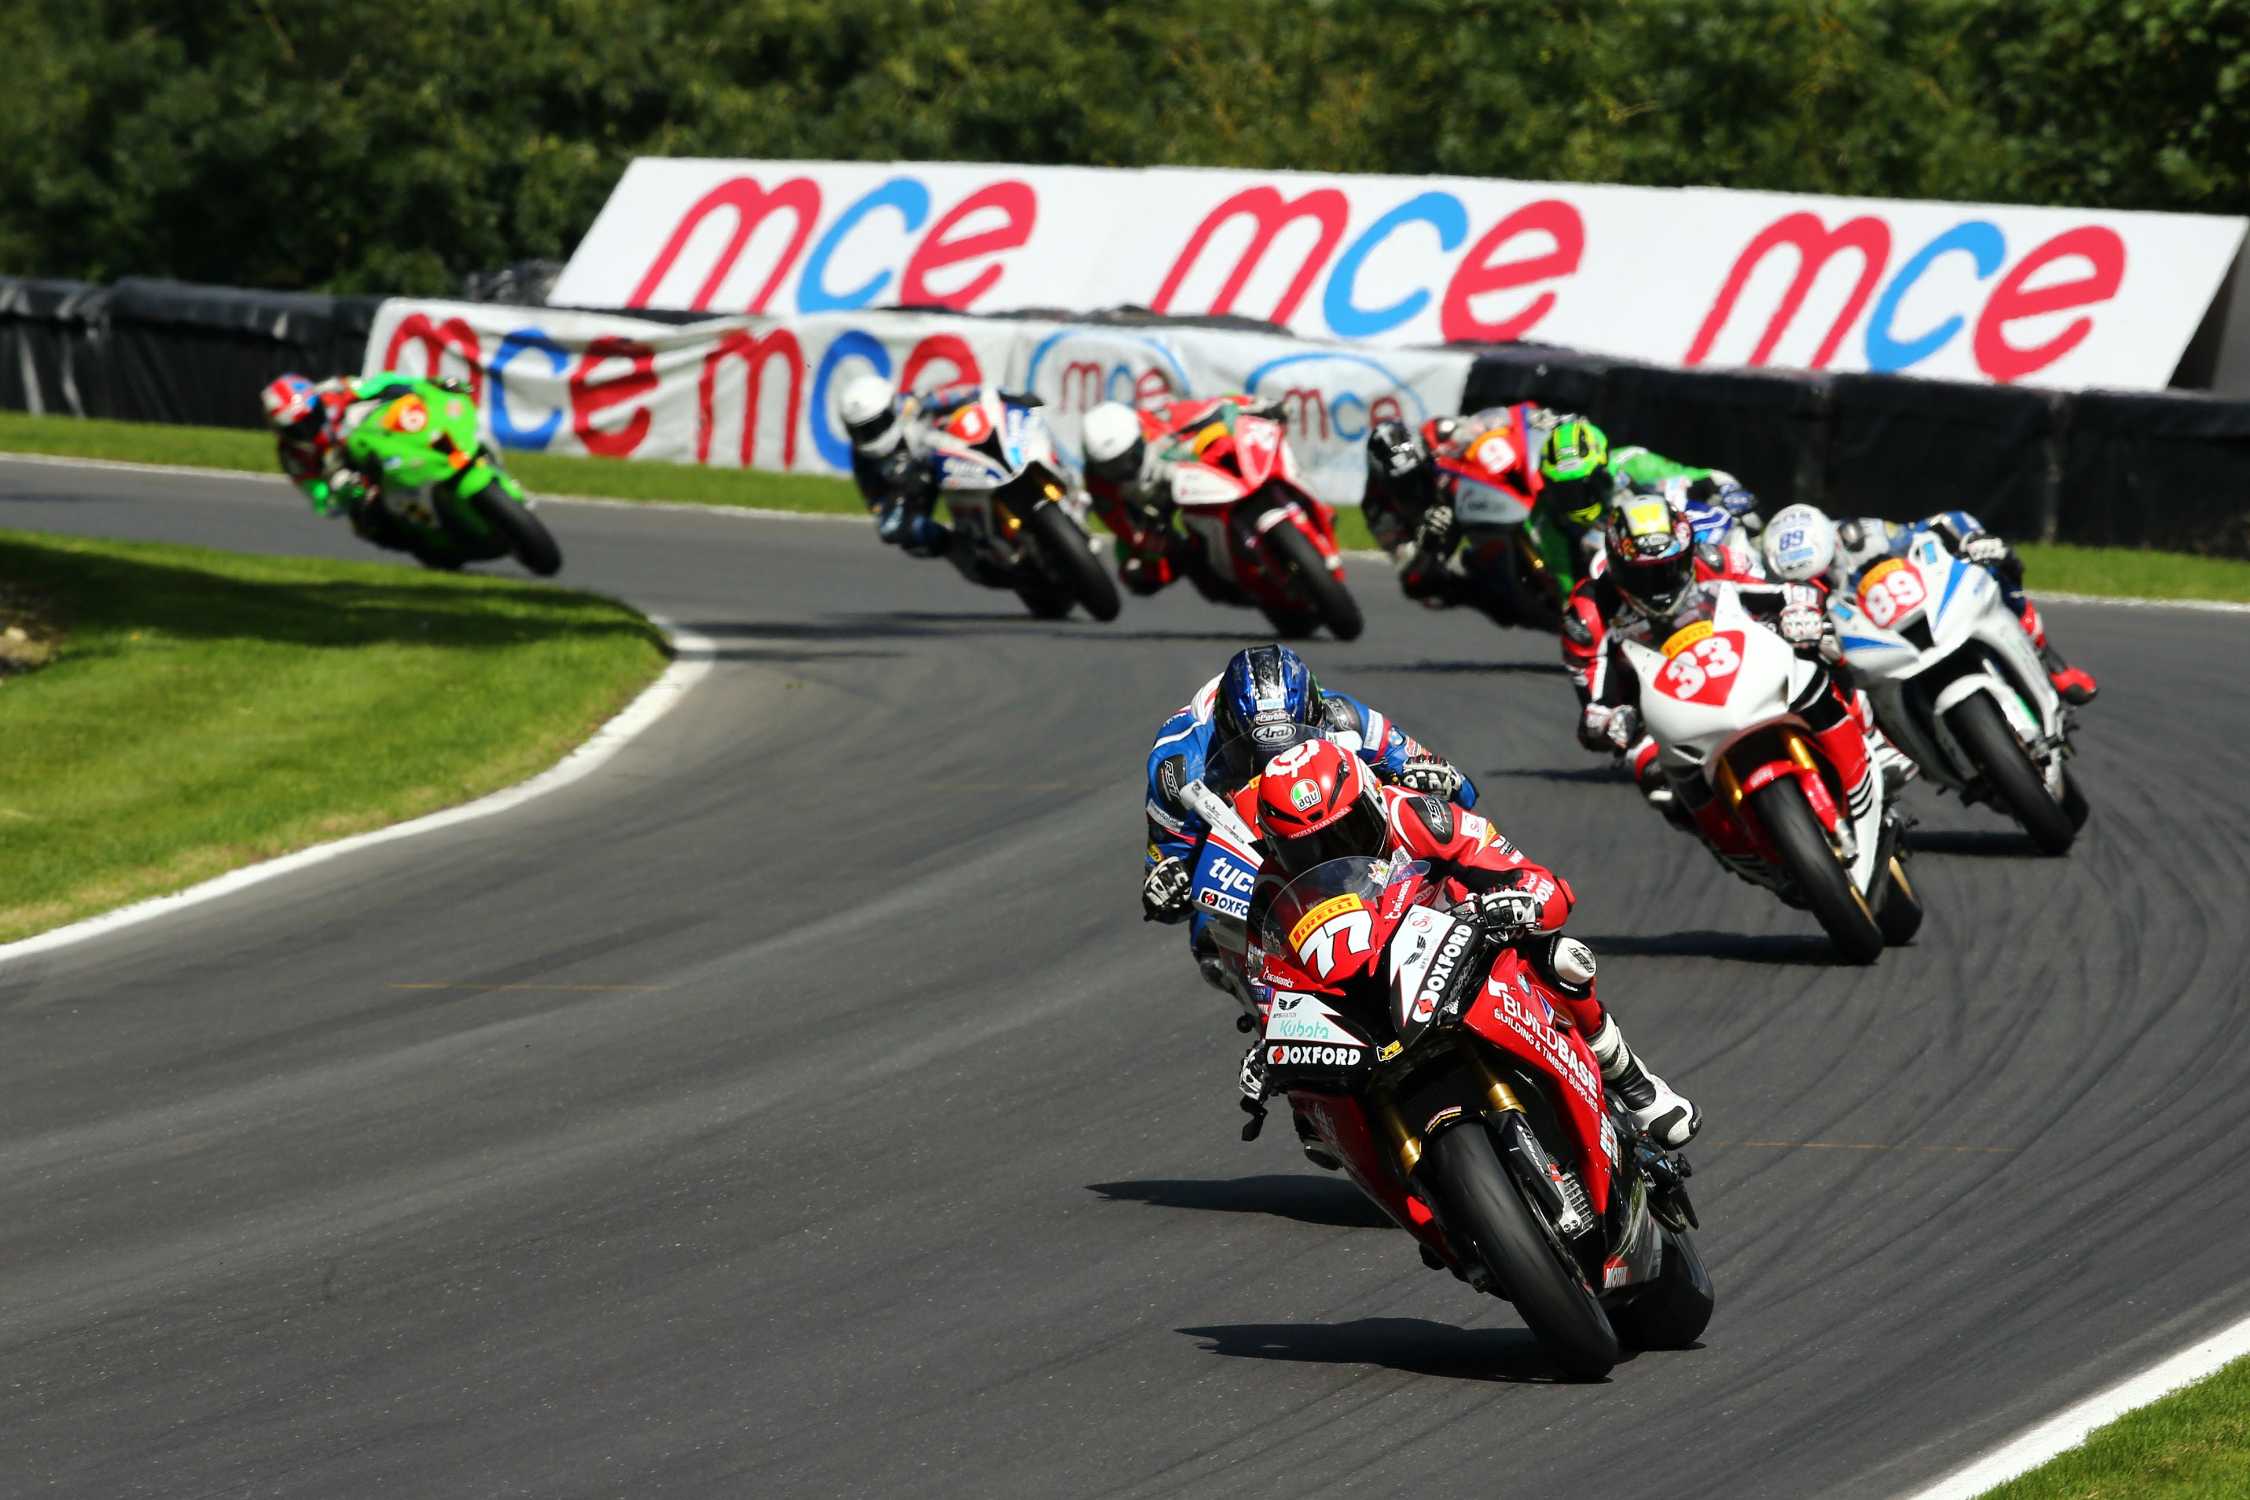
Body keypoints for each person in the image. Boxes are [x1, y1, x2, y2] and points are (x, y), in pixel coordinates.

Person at [1241, 737, 1698, 1149]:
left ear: (1373, 802)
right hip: (1362, 1003)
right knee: (1314, 1119)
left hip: (1462, 951)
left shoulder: (1417, 816)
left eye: (1347, 833)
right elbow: (1269, 991)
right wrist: (1269, 1050)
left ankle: (1630, 1078)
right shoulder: (1271, 894)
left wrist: (1522, 902)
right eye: (1308, 852)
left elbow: (1534, 879)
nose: (1332, 858)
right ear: (1276, 847)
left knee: (1558, 957)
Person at [1575, 494, 1886, 865]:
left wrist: (1799, 610)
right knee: (1652, 774)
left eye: (1669, 568)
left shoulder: (1713, 559)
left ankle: (1869, 736)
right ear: (1616, 565)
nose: (1657, 583)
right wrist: (1607, 721)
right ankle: (1733, 848)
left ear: (1687, 553)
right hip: (1659, 707)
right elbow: (1592, 691)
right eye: (1641, 574)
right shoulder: (1588, 609)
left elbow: (1778, 590)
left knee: (1823, 647)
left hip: (1741, 657)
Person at [1141, 644, 1476, 933]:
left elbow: (1458, 788)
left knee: (1441, 856)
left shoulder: (1345, 716)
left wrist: (1437, 781)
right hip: (1252, 860)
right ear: (1226, 731)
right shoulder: (1178, 768)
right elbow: (1165, 871)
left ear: (1317, 717)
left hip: (1342, 842)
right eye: (1253, 758)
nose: (1279, 768)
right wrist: (1169, 883)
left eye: (1291, 750)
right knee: (1207, 934)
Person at [1761, 504, 2098, 705]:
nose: (1816, 584)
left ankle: (2047, 656)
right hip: (1870, 660)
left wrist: (1969, 540)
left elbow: (1918, 531)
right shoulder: (1782, 594)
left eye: (1820, 574)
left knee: (1993, 559)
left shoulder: (1859, 535)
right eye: (1809, 581)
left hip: (1918, 610)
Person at [1361, 404, 1562, 619]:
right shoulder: (1378, 510)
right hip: (1437, 536)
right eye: (1404, 485)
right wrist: (1428, 539)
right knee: (1417, 584)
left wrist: (1534, 421)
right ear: (1384, 482)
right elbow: (1405, 563)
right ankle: (1488, 598)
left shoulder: (1437, 433)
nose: (1415, 488)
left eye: (1418, 476)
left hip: (1470, 490)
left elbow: (1488, 425)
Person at [1080, 394, 1284, 597]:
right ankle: (1223, 578)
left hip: (1206, 470)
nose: (1123, 469)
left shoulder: (1161, 420)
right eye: (1111, 467)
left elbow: (1219, 405)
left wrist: (1256, 405)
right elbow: (1117, 522)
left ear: (1139, 436)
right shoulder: (1098, 483)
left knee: (1236, 439)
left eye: (1127, 457)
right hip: (1165, 512)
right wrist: (1145, 540)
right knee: (1136, 573)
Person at [1539, 415, 1764, 563]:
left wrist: (1728, 490)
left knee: (1750, 529)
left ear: (1604, 468)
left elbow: (1704, 476)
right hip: (1631, 587)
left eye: (1583, 485)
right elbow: (1568, 592)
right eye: (1564, 490)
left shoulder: (1634, 464)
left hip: (1680, 545)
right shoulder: (1549, 520)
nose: (1575, 498)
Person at [261, 371, 422, 556]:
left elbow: (381, 383)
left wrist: (413, 387)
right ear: (283, 431)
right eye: (299, 428)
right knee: (365, 523)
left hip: (381, 432)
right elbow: (321, 501)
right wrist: (340, 493)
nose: (310, 427)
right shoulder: (292, 457)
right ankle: (427, 546)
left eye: (313, 416)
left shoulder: (333, 390)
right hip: (360, 479)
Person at [838, 373, 954, 559]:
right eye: (860, 431)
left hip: (957, 457)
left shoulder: (916, 403)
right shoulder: (861, 456)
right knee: (891, 531)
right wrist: (900, 491)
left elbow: (970, 396)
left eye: (875, 426)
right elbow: (876, 501)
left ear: (892, 409)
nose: (869, 436)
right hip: (915, 486)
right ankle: (956, 543)